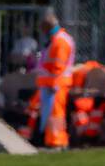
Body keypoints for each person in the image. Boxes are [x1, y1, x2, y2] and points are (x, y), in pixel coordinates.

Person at [21, 9, 75, 148]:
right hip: (50, 84)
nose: (42, 32)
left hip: (55, 84)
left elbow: (58, 65)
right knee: (51, 113)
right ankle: (51, 140)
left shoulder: (60, 41)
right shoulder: (56, 40)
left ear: (47, 27)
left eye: (43, 28)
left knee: (55, 113)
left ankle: (56, 141)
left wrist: (54, 83)